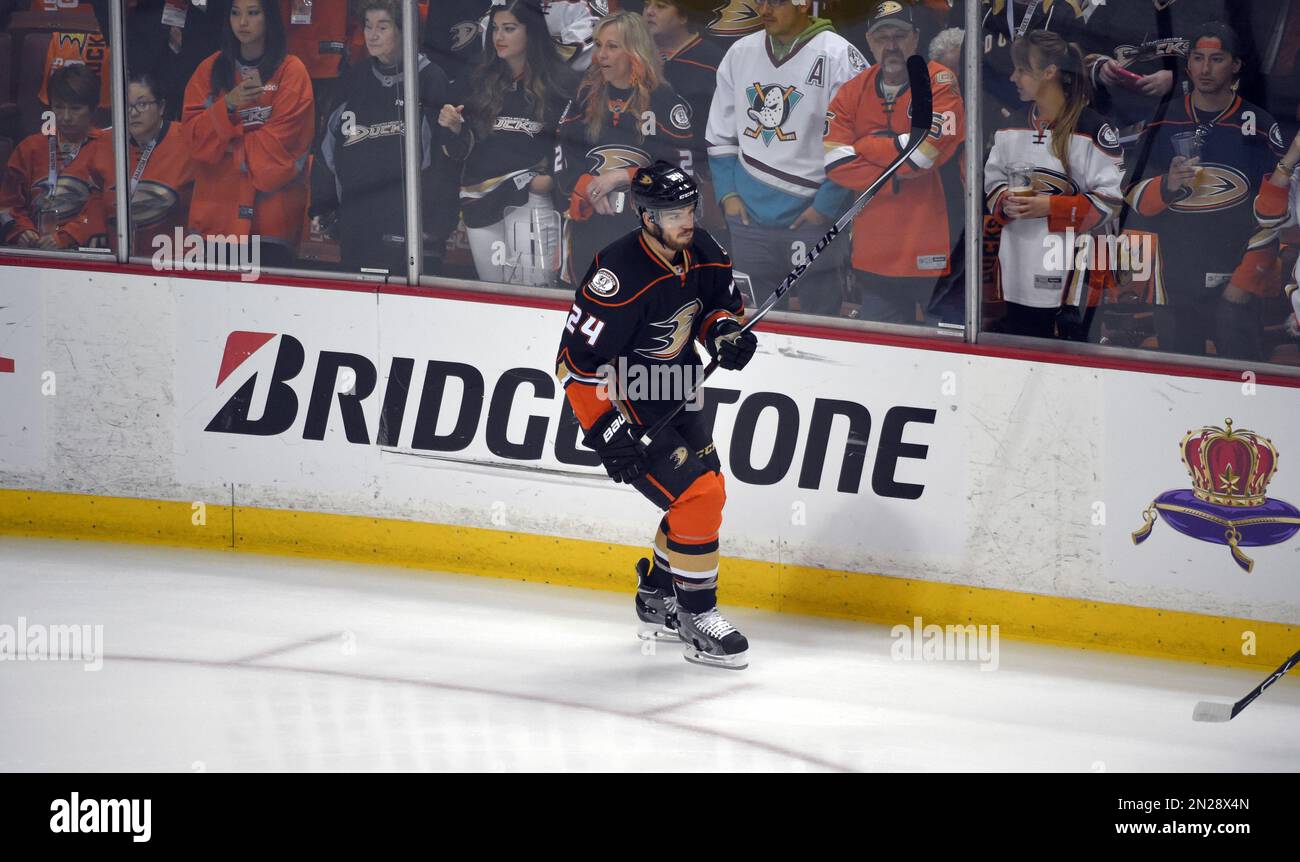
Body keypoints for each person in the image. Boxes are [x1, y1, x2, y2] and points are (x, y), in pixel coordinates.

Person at [554, 160, 757, 669]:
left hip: (682, 393)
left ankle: (659, 593)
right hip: (631, 402)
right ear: (646, 216)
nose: (686, 220)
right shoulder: (615, 276)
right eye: (672, 213)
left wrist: (725, 336)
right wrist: (606, 431)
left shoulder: (704, 250)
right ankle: (696, 614)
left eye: (689, 208)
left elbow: (716, 309)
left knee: (704, 497)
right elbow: (573, 364)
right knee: (699, 494)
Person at [1123, 23, 1286, 359]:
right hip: (1173, 284)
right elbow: (1128, 194)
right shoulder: (1161, 119)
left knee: (1243, 392)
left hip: (1235, 288)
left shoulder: (1260, 126)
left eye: (1217, 59)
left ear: (1235, 65)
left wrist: (1244, 283)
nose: (1205, 69)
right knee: (1177, 388)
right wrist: (1166, 186)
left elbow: (1277, 213)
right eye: (1197, 58)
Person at [705, 0, 867, 316]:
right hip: (748, 219)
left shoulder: (839, 55)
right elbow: (720, 134)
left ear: (803, 4)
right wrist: (728, 195)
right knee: (753, 321)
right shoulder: (741, 52)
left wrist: (825, 206)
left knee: (819, 319)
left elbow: (856, 141)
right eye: (760, 1)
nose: (765, 8)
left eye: (776, 1)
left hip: (812, 217)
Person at [825, 2, 965, 324]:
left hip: (937, 249)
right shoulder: (851, 91)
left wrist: (864, 146)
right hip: (876, 253)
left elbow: (923, 156)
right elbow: (835, 163)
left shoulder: (940, 82)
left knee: (945, 354)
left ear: (915, 38)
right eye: (881, 36)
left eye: (899, 35)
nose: (890, 45)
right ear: (869, 40)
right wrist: (901, 147)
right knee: (882, 355)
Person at [983, 30, 1124, 339]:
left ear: (1049, 72)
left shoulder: (1093, 128)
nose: (1013, 77)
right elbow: (991, 181)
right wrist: (1005, 200)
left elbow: (1110, 204)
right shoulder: (1009, 127)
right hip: (1016, 269)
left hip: (1074, 279)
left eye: (1022, 69)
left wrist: (1049, 207)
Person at [439, 0, 576, 286]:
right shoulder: (477, 79)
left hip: (531, 199)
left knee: (535, 293)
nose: (499, 37)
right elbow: (459, 151)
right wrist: (452, 128)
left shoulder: (560, 83)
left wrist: (549, 179)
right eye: (496, 29)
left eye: (509, 29)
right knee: (493, 295)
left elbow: (574, 142)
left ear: (532, 32)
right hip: (480, 199)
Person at [555, 10, 695, 285]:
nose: (601, 55)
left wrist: (626, 177)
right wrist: (584, 185)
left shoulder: (664, 101)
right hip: (590, 229)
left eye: (612, 46)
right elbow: (561, 151)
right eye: (598, 45)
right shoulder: (585, 95)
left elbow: (684, 172)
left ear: (635, 50)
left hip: (646, 233)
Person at [313, 0, 452, 276]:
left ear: (405, 30)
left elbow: (440, 159)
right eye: (367, 26)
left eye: (382, 27)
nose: (371, 35)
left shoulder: (429, 79)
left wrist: (435, 222)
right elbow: (328, 146)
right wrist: (324, 207)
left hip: (410, 228)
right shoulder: (355, 78)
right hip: (357, 222)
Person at [182, 0, 314, 269]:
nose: (242, 22)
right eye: (235, 12)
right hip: (213, 220)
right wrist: (228, 105)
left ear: (269, 18)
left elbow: (277, 156)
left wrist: (226, 140)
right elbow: (193, 143)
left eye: (253, 13)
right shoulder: (208, 70)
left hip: (272, 223)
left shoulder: (291, 71)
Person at [62, 70, 197, 256]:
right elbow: (95, 194)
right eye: (126, 105)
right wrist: (95, 228)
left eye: (142, 104)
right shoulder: (105, 142)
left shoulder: (188, 141)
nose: (133, 113)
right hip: (119, 256)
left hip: (172, 258)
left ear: (162, 107)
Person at [0, 65, 108, 250]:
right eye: (58, 107)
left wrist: (68, 235)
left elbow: (106, 207)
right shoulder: (30, 147)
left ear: (93, 109)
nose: (65, 117)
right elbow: (7, 203)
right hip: (34, 249)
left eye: (75, 108)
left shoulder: (107, 149)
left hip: (85, 251)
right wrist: (21, 230)